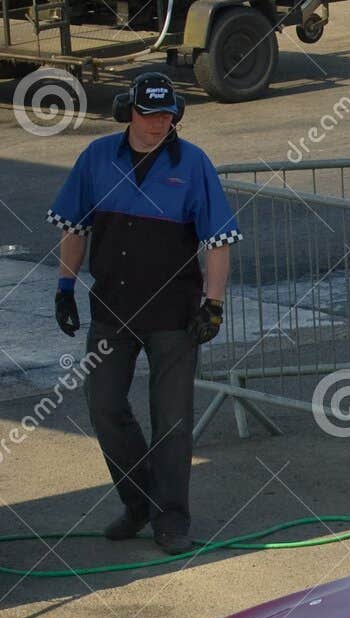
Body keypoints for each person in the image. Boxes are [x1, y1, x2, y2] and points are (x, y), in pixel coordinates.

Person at [48, 72, 241, 555]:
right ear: (127, 112)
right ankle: (139, 503)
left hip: (174, 316)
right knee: (105, 406)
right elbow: (75, 227)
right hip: (112, 311)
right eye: (149, 114)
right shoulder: (96, 158)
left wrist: (213, 304)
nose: (158, 124)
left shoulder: (194, 164)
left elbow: (218, 241)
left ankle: (171, 520)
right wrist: (64, 287)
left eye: (166, 115)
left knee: (172, 422)